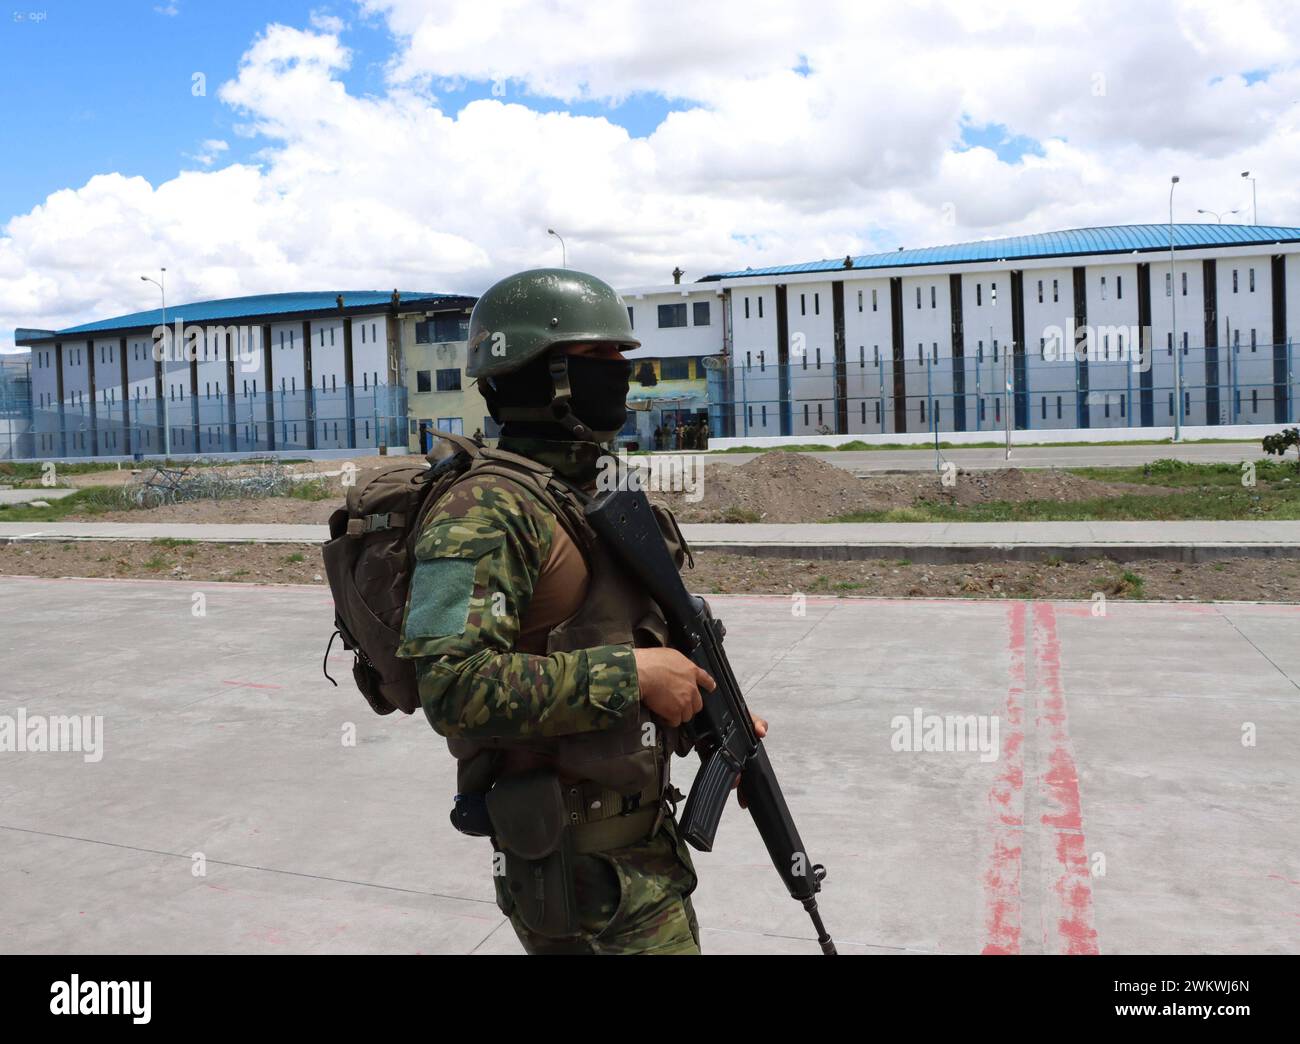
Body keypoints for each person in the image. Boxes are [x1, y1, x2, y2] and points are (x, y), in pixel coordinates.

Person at [396, 268, 764, 955]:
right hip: (579, 876)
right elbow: (451, 688)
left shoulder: (596, 490)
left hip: (644, 855)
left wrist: (706, 714)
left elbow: (632, 634)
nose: (620, 372)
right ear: (541, 374)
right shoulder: (479, 511)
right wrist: (635, 676)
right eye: (598, 358)